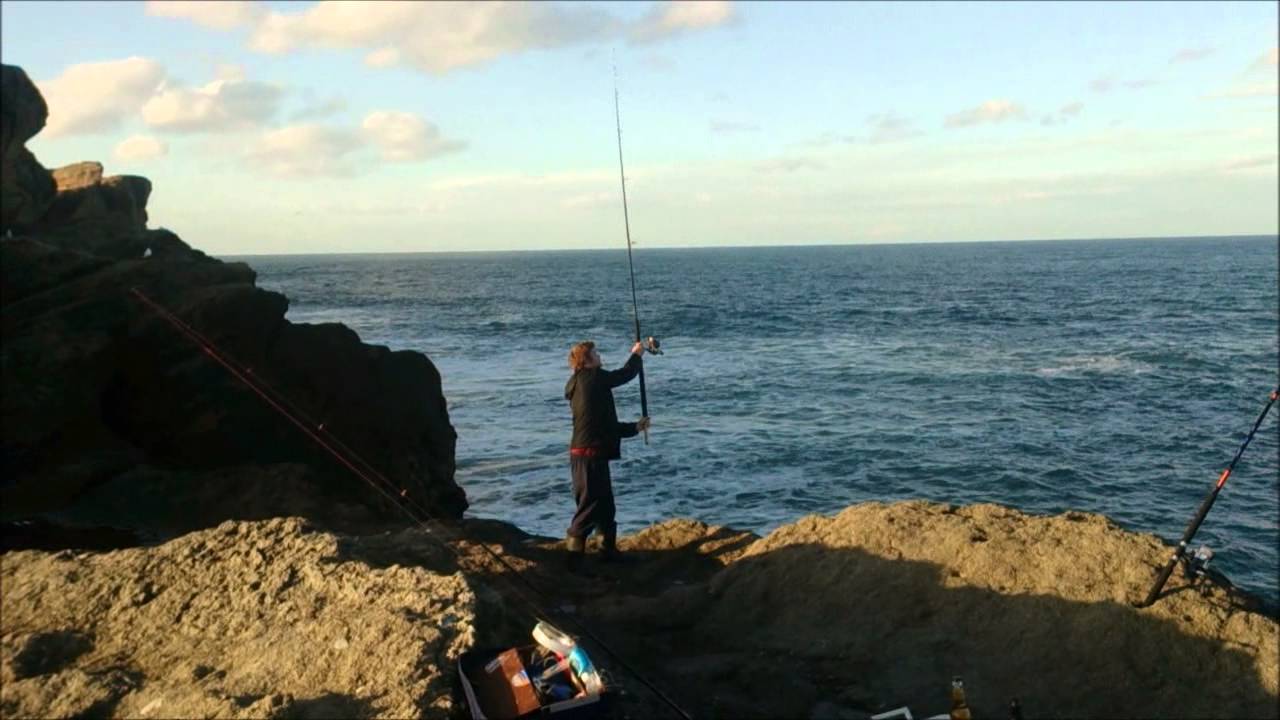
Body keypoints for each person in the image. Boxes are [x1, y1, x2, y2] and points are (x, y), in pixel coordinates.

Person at [563, 339, 651, 567]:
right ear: (587, 360)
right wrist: (637, 354)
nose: (600, 355)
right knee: (589, 505)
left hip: (589, 453)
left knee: (604, 504)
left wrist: (634, 427)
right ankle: (573, 561)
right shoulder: (593, 378)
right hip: (588, 453)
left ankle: (607, 552)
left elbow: (604, 424)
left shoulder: (581, 383)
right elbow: (624, 374)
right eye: (596, 353)